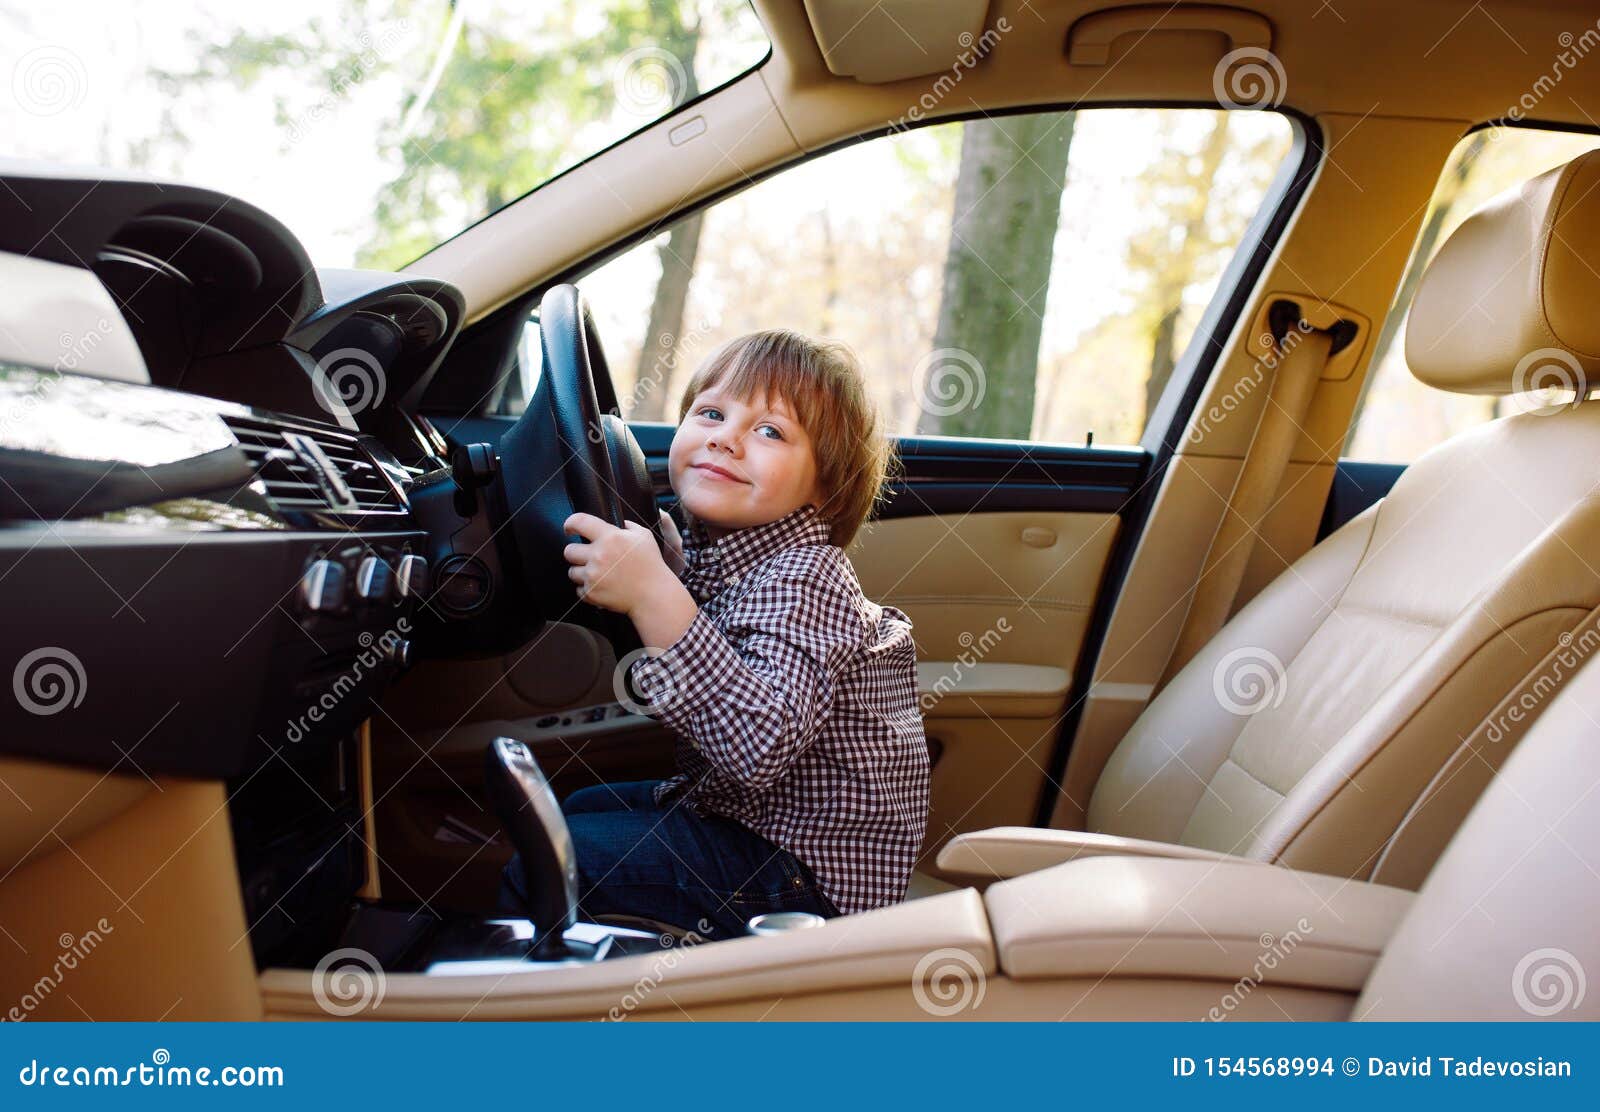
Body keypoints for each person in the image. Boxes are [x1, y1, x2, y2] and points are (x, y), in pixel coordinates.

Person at [499, 329, 930, 939]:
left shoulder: (808, 577)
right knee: (575, 811)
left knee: (550, 862)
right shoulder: (732, 555)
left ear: (825, 487)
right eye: (710, 413)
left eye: (770, 431)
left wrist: (654, 591)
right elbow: (720, 642)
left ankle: (532, 1011)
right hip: (752, 824)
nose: (725, 438)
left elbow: (757, 745)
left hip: (804, 875)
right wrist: (672, 575)